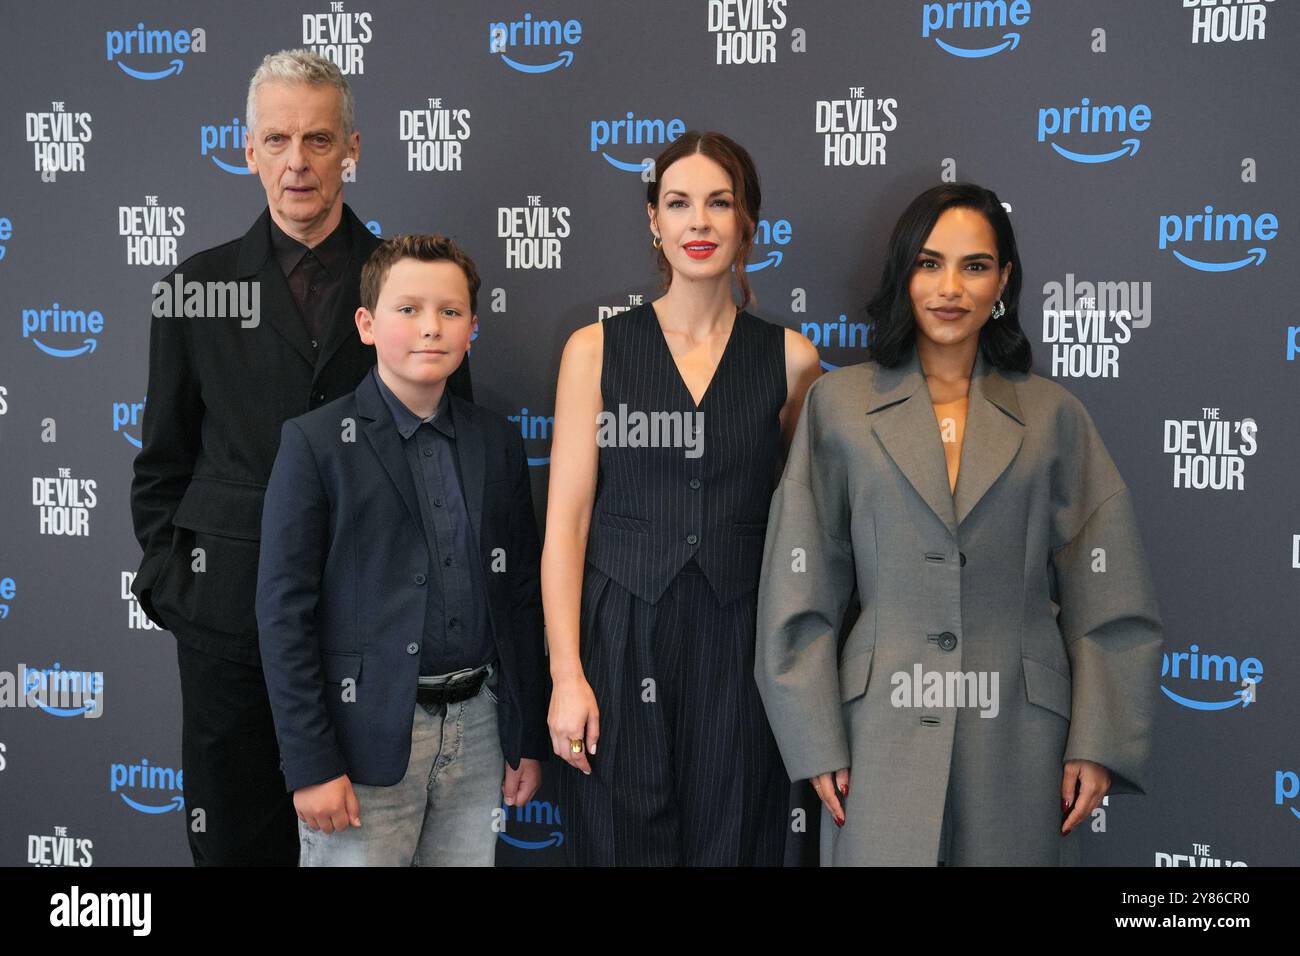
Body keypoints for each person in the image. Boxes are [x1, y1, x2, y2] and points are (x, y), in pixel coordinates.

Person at [129, 49, 471, 866]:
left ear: (353, 148)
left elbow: (447, 460)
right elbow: (160, 467)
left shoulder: (412, 285)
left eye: (318, 141)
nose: (297, 162)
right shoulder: (195, 288)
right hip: (229, 631)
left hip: (378, 634)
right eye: (276, 140)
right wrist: (183, 590)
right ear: (246, 150)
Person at [755, 182, 1163, 866]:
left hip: (1022, 738)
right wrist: (814, 739)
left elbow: (1112, 595)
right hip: (876, 734)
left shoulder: (1054, 415)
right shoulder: (839, 405)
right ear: (903, 273)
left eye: (975, 266)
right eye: (929, 262)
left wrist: (1099, 741)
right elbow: (800, 587)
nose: (950, 287)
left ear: (1003, 280)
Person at [543, 131, 822, 865]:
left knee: (737, 841)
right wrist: (566, 674)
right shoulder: (594, 350)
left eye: (719, 203)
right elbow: (567, 525)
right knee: (616, 843)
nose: (699, 222)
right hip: (618, 632)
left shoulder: (792, 361)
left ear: (746, 223)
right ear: (654, 223)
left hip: (740, 642)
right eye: (679, 203)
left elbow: (808, 531)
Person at [256, 234, 549, 866]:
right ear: (366, 324)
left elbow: (518, 595)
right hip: (364, 743)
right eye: (407, 309)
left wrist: (522, 734)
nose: (430, 328)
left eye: (450, 311)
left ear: (472, 326)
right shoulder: (314, 445)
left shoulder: (495, 441)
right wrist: (310, 762)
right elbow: (283, 614)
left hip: (477, 735)